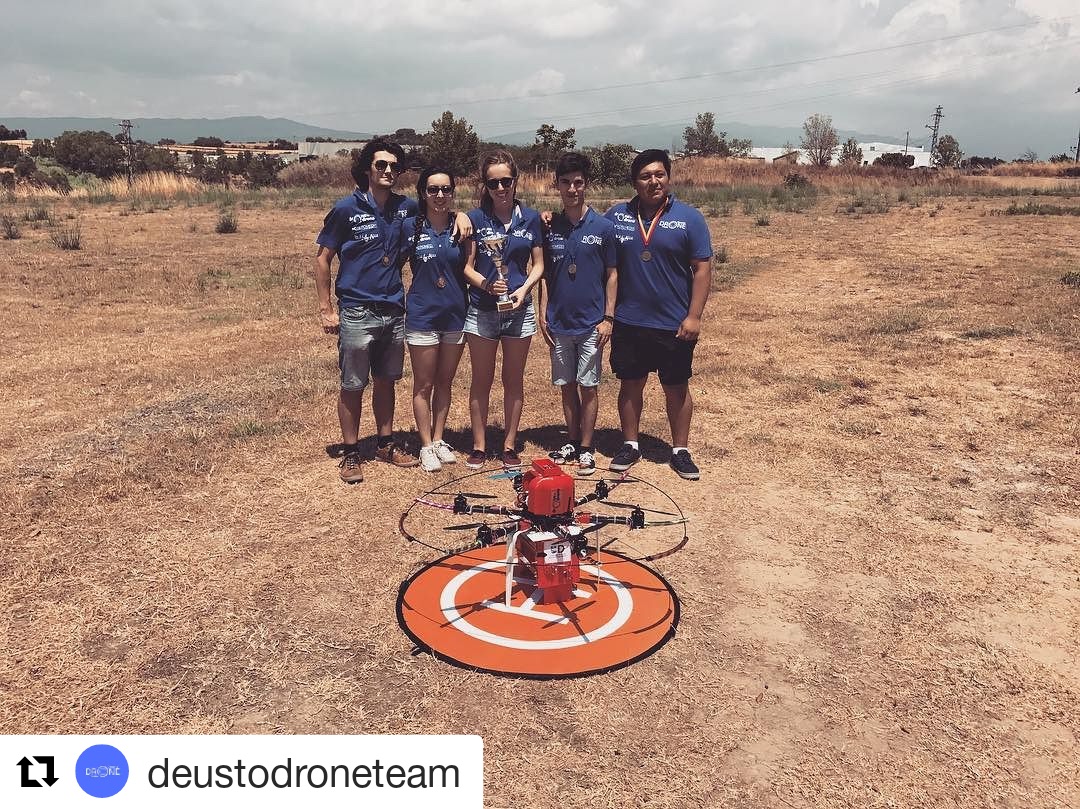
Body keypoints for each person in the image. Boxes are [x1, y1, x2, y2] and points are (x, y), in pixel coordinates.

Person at [314, 140, 472, 483]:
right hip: (356, 309)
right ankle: (351, 452)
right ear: (367, 169)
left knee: (386, 381)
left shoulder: (405, 208)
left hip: (393, 309)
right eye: (381, 165)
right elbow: (323, 259)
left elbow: (438, 206)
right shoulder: (346, 209)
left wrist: (461, 215)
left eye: (394, 166)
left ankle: (385, 443)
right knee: (353, 383)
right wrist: (326, 309)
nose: (388, 171)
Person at [604, 149, 713, 480]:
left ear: (668, 177)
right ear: (634, 183)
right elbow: (589, 234)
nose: (653, 181)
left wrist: (694, 316)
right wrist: (549, 219)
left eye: (659, 174)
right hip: (628, 320)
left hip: (674, 323)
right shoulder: (616, 216)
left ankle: (680, 450)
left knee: (676, 387)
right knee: (630, 384)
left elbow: (702, 269)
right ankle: (630, 444)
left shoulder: (690, 218)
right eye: (645, 176)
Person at [462, 150, 545, 470]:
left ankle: (509, 445)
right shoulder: (474, 218)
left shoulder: (532, 218)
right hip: (483, 310)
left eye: (506, 181)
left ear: (515, 181)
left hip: (519, 311)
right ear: (485, 185)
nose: (500, 188)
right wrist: (486, 284)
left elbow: (539, 264)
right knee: (481, 380)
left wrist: (525, 289)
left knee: (513, 380)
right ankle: (479, 446)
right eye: (493, 183)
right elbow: (467, 268)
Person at [538, 152, 618, 476]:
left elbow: (612, 274)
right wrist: (542, 312)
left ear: (586, 185)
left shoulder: (604, 227)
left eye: (578, 182)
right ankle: (571, 440)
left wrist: (608, 318)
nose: (572, 189)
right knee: (566, 385)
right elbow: (544, 274)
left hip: (591, 324)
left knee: (589, 385)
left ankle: (586, 447)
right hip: (559, 323)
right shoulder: (549, 226)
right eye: (566, 183)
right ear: (557, 185)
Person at [401, 166, 471, 472]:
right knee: (424, 384)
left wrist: (463, 214)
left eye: (446, 189)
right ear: (423, 193)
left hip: (455, 315)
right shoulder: (410, 227)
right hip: (422, 316)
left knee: (445, 381)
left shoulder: (462, 225)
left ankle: (440, 438)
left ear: (453, 192)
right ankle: (426, 445)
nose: (440, 195)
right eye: (433, 189)